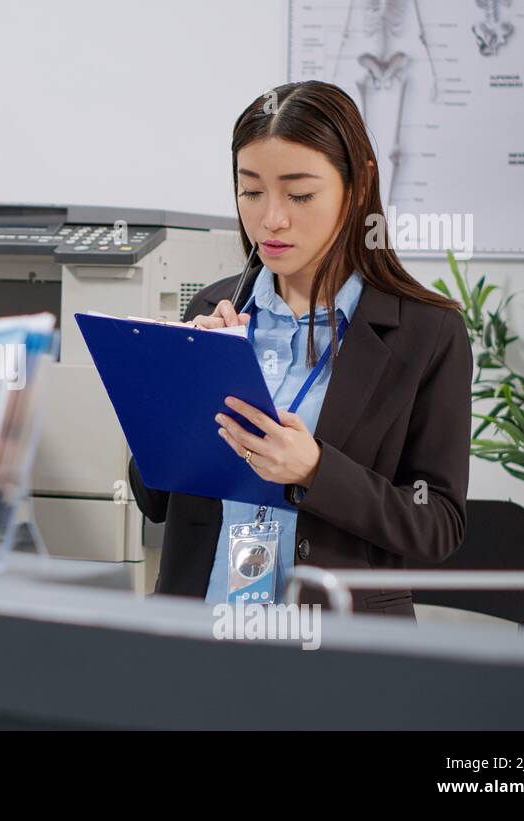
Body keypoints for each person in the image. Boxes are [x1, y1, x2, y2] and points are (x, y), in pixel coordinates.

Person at [127, 81, 472, 620]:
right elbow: (154, 500)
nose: (272, 219)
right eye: (252, 191)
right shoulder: (218, 307)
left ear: (358, 188)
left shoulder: (427, 331)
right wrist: (178, 394)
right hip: (200, 633)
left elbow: (438, 526)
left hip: (339, 654)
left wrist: (316, 469)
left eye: (300, 194)